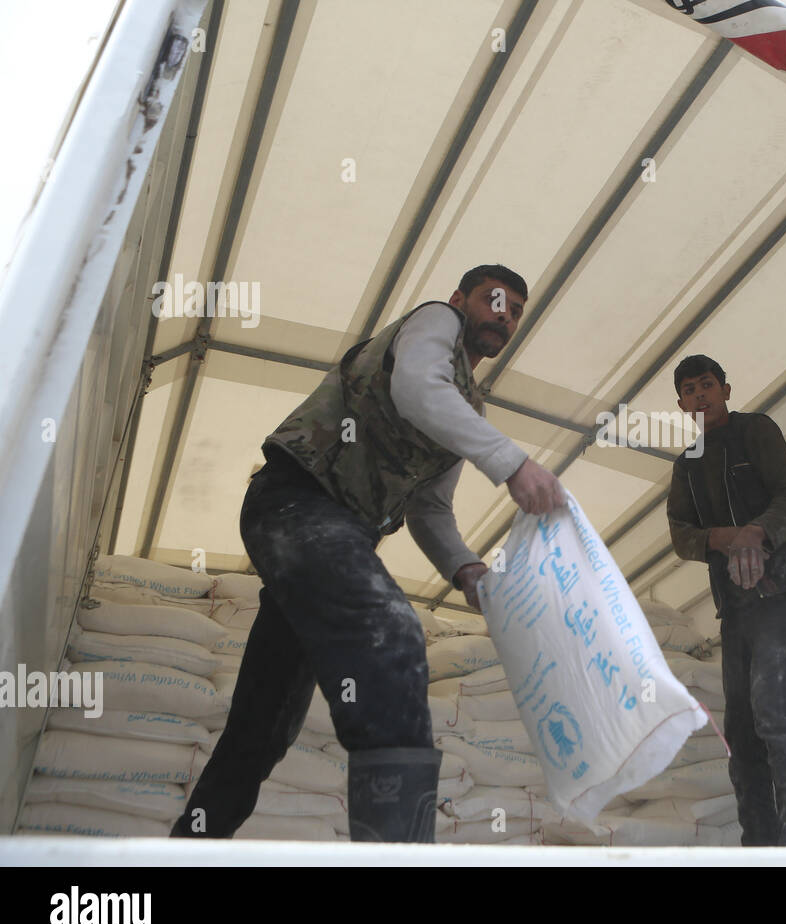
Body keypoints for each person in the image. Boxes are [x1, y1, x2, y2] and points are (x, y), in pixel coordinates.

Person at [171, 264, 565, 843]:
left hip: (333, 545)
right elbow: (414, 389)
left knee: (265, 728)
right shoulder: (435, 323)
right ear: (462, 299)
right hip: (296, 504)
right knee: (390, 629)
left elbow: (430, 508)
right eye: (494, 300)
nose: (503, 315)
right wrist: (513, 463)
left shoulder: (468, 410)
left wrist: (468, 571)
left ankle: (190, 848)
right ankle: (400, 852)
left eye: (515, 311)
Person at [666, 356, 786, 846]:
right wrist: (724, 538)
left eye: (708, 385)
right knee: (741, 732)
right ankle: (760, 847)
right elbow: (681, 535)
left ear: (725, 390)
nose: (700, 396)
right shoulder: (687, 464)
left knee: (777, 710)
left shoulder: (756, 430)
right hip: (735, 603)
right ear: (681, 405)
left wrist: (758, 534)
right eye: (690, 390)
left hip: (782, 584)